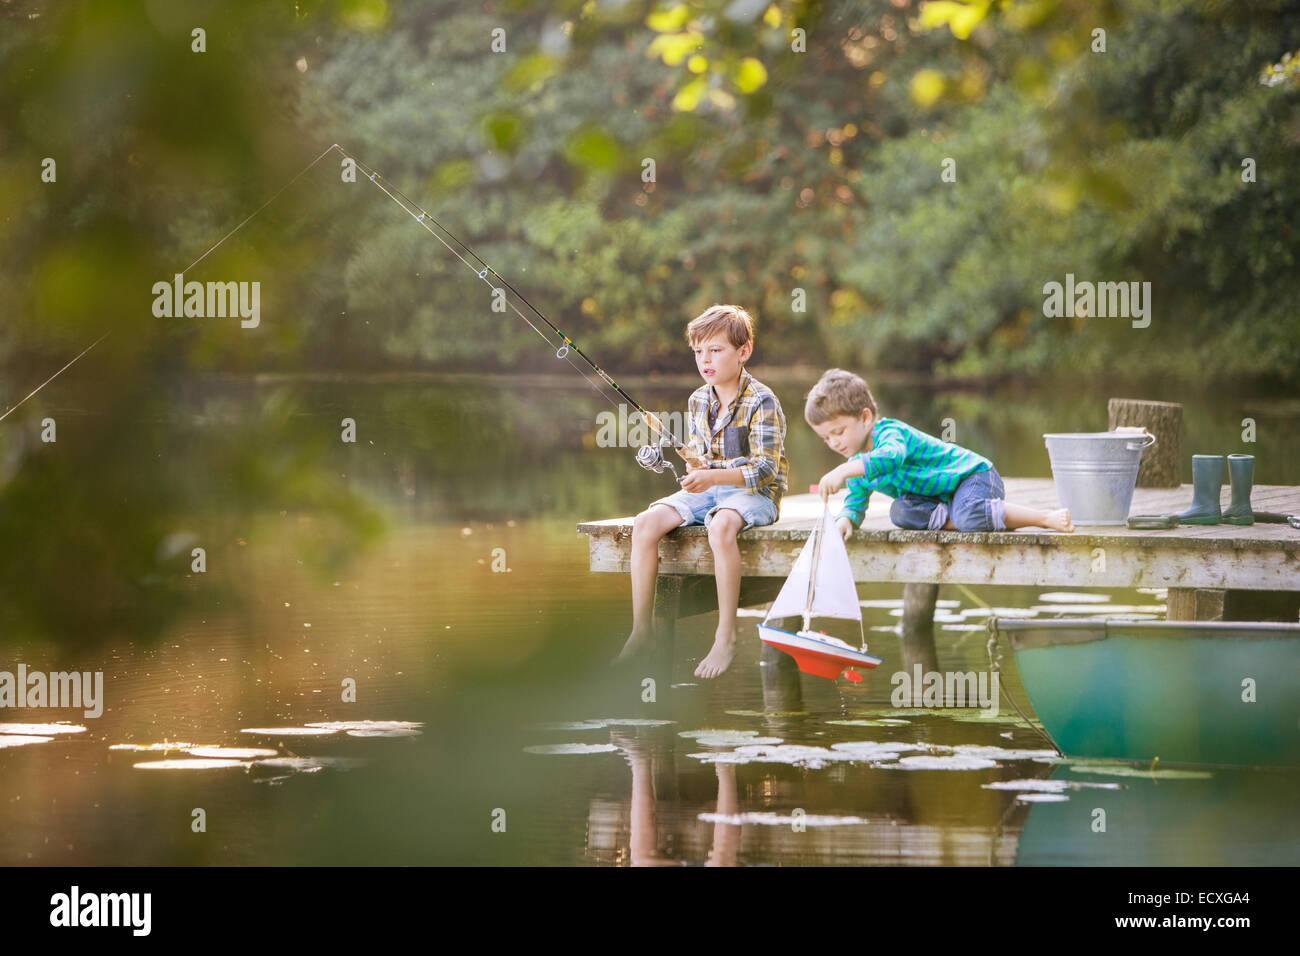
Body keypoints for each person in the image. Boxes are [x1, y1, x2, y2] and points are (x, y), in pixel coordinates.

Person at [614, 304, 788, 679]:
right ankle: (642, 631)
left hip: (756, 493)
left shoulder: (763, 401)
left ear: (743, 352)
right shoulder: (698, 400)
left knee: (720, 527)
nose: (705, 360)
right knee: (645, 524)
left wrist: (712, 475)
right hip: (712, 488)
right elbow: (702, 458)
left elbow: (764, 469)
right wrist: (682, 461)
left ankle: (725, 636)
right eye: (698, 352)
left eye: (716, 350)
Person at [805, 368, 1073, 539]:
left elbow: (891, 457)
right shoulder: (857, 467)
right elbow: (855, 498)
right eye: (826, 437)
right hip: (942, 498)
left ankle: (1044, 517)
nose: (833, 443)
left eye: (838, 432)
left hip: (974, 477)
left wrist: (842, 470)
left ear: (865, 418)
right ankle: (963, 517)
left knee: (968, 514)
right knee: (900, 513)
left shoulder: (890, 433)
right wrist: (845, 519)